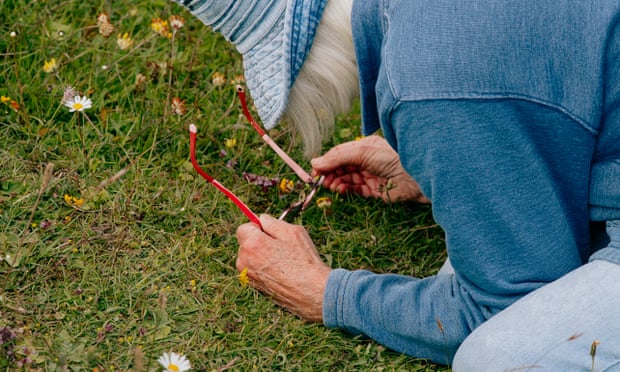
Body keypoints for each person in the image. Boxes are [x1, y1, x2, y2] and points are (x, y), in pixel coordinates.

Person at [173, 0, 620, 369]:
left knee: (499, 356)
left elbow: (500, 303)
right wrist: (446, 164)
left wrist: (325, 291)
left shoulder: (431, 70)